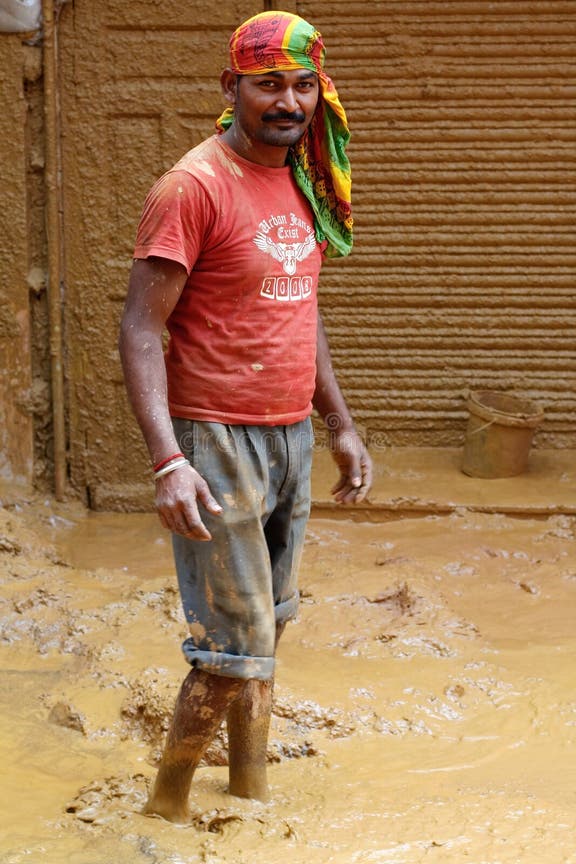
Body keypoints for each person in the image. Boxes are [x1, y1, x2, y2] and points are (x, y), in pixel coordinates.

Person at [119, 9, 372, 823]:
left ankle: (250, 795)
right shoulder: (191, 187)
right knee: (230, 652)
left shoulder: (304, 178)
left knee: (265, 633)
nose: (289, 101)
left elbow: (302, 310)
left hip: (289, 433)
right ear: (233, 88)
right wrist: (168, 461)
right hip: (214, 438)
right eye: (269, 84)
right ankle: (165, 808)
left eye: (304, 84)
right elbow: (140, 329)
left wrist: (338, 423)